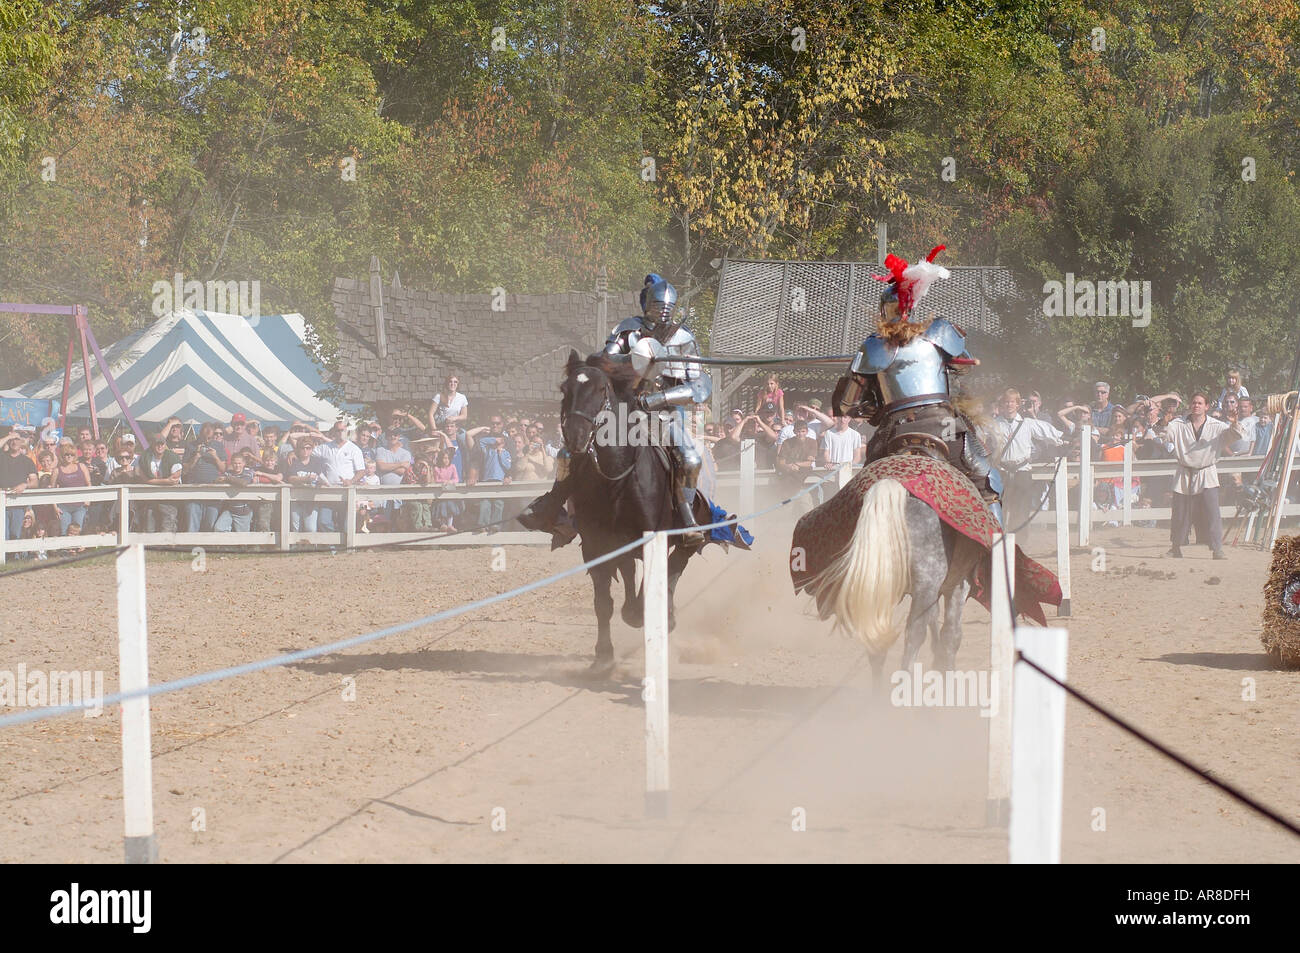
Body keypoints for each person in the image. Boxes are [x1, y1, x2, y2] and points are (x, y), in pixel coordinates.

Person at [518, 273, 713, 545]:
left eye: (666, 308)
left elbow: (700, 386)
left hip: (666, 413)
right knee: (570, 451)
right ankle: (553, 506)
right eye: (657, 306)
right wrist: (635, 357)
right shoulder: (629, 329)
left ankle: (687, 519)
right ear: (647, 305)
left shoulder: (684, 339)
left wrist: (658, 399)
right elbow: (602, 361)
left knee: (690, 459)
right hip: (625, 408)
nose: (662, 312)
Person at [830, 244, 1004, 523]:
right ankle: (999, 555)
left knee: (863, 492)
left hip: (894, 431)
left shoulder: (872, 347)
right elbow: (966, 365)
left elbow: (846, 404)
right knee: (988, 483)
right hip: (943, 427)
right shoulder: (939, 332)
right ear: (914, 303)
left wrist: (872, 408)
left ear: (883, 312)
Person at [1162, 393, 1242, 559]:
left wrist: (1234, 422)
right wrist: (1165, 421)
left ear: (1207, 406)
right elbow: (1166, 436)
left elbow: (1233, 436)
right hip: (1185, 472)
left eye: (1199, 403)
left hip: (1207, 472)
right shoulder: (1178, 424)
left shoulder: (1216, 425)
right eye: (1193, 402)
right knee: (1180, 513)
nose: (1196, 405)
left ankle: (1217, 548)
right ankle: (1175, 547)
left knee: (1212, 512)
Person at [311, 421, 365, 531]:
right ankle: (333, 547)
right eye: (338, 430)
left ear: (347, 431)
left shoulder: (354, 449)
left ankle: (343, 548)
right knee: (323, 521)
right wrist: (292, 453)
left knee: (344, 525)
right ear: (334, 432)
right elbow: (306, 453)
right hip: (328, 491)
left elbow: (361, 471)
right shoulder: (325, 447)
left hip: (347, 491)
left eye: (342, 430)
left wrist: (351, 481)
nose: (340, 432)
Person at [465, 415, 513, 531]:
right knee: (484, 503)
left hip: (501, 480)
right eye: (493, 423)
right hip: (485, 479)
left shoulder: (509, 443)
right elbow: (476, 458)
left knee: (499, 503)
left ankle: (496, 525)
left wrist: (509, 476)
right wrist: (494, 440)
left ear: (502, 424)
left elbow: (512, 463)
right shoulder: (485, 444)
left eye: (498, 423)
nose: (495, 425)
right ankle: (482, 525)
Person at [0, 431, 39, 551]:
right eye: (12, 439)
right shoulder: (2, 456)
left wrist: (25, 485)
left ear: (22, 442)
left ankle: (15, 559)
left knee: (15, 533)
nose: (14, 441)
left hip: (18, 502)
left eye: (17, 439)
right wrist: (10, 436)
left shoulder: (27, 461)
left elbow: (35, 482)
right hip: (2, 500)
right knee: (3, 533)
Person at [138, 432, 183, 532]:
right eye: (157, 443)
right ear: (152, 444)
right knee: (149, 527)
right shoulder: (145, 457)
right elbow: (143, 478)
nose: (160, 446)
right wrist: (166, 481)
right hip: (151, 498)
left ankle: (168, 547)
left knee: (168, 527)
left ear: (165, 444)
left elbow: (175, 479)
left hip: (169, 498)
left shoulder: (172, 457)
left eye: (162, 443)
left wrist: (152, 481)